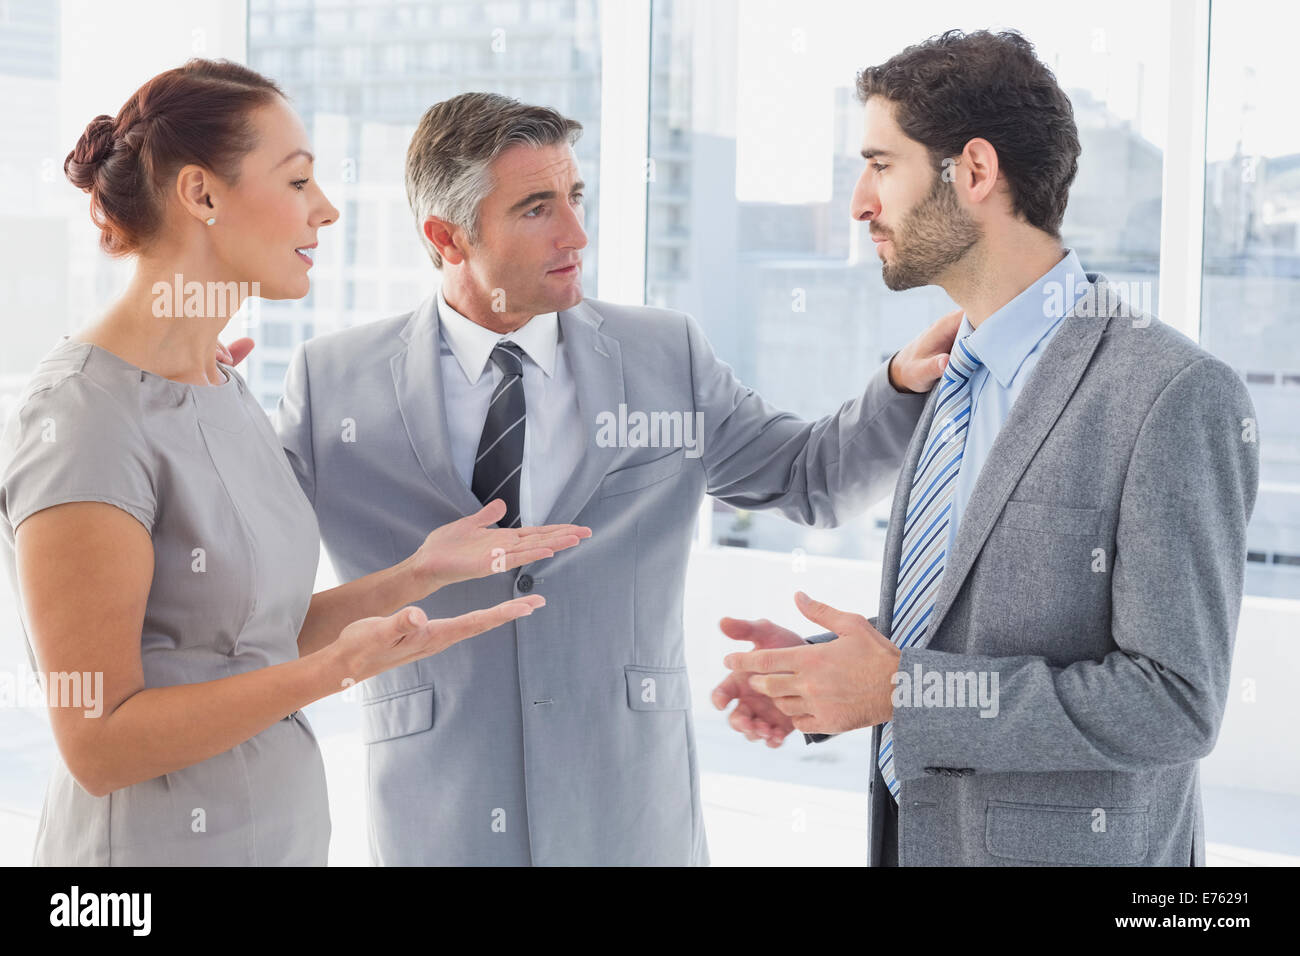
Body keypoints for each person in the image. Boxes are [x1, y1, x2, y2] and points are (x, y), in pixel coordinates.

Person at [271, 90, 961, 865]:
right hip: (439, 813)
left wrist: (902, 384)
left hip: (632, 817)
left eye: (575, 196)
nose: (576, 232)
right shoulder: (333, 382)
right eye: (536, 208)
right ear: (447, 236)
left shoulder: (664, 354)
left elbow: (811, 478)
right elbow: (251, 602)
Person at [0, 59, 590, 866]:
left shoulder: (223, 385)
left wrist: (416, 575)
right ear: (202, 196)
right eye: (299, 180)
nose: (328, 208)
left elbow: (254, 643)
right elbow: (98, 741)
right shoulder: (82, 418)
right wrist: (339, 673)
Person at [714, 29, 1260, 866]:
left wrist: (899, 689)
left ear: (973, 172)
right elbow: (973, 622)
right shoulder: (950, 375)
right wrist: (831, 677)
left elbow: (1175, 703)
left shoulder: (1171, 393)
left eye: (881, 164)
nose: (861, 202)